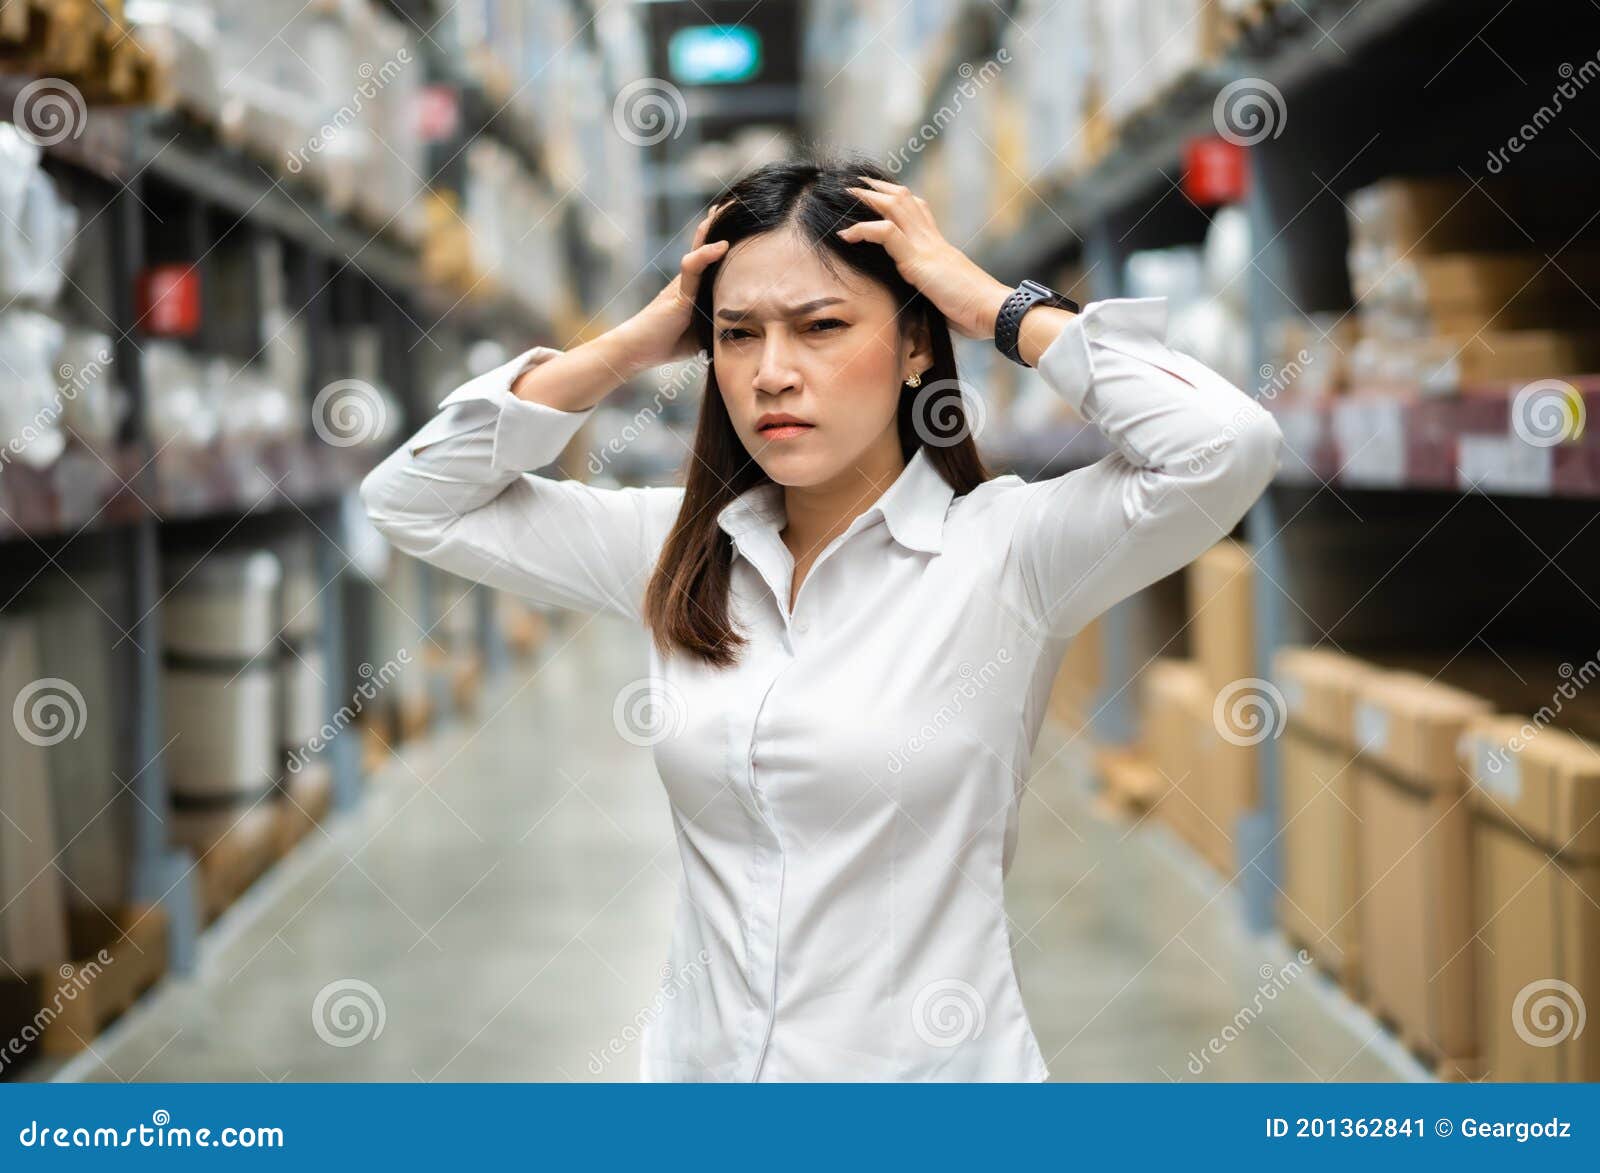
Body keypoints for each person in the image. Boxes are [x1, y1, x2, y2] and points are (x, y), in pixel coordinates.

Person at [359, 153, 1283, 1082]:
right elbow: (411, 499)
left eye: (822, 326)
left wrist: (990, 304)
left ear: (917, 343)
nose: (772, 374)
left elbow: (1225, 445)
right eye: (737, 335)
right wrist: (633, 344)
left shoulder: (1007, 554)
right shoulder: (679, 555)